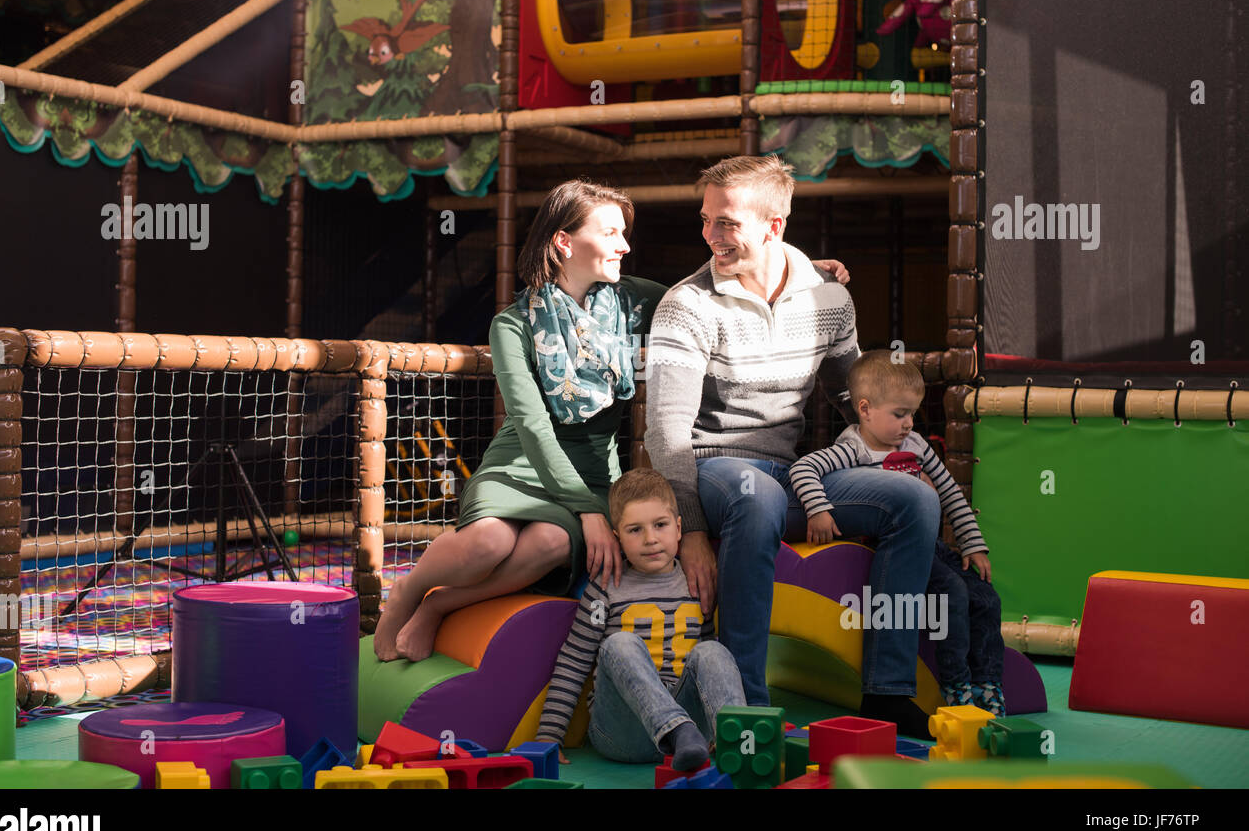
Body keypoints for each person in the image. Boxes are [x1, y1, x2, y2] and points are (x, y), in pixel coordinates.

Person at [645, 154, 940, 739]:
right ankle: (744, 707)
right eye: (706, 220)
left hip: (792, 473)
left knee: (913, 500)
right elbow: (666, 430)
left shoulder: (828, 297)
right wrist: (694, 529)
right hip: (714, 466)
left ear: (773, 226)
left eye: (726, 222)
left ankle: (887, 691)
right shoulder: (686, 304)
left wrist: (912, 457)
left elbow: (854, 398)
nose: (711, 235)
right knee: (757, 499)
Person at [373, 180, 664, 662]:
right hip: (519, 467)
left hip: (592, 476)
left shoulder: (635, 302)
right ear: (564, 241)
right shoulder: (512, 325)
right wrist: (589, 514)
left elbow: (706, 289)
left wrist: (794, 271)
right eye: (611, 233)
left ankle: (438, 605)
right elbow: (531, 427)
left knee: (550, 541)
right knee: (488, 541)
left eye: (623, 233)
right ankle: (407, 591)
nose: (624, 245)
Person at [789, 351, 1005, 716]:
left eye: (913, 414)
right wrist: (819, 508)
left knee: (984, 595)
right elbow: (804, 468)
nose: (908, 424)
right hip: (888, 550)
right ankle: (956, 686)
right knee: (951, 593)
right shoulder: (853, 448)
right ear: (865, 409)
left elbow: (951, 492)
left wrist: (972, 544)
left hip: (932, 547)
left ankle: (988, 683)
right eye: (899, 414)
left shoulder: (916, 446)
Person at [534, 468, 746, 769]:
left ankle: (737, 741)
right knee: (619, 643)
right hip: (623, 733)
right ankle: (676, 729)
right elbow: (574, 660)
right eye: (635, 530)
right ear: (617, 538)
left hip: (692, 741)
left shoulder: (695, 581)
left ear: (678, 528)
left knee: (712, 650)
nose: (650, 539)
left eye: (660, 525)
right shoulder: (605, 588)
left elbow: (709, 671)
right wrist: (549, 737)